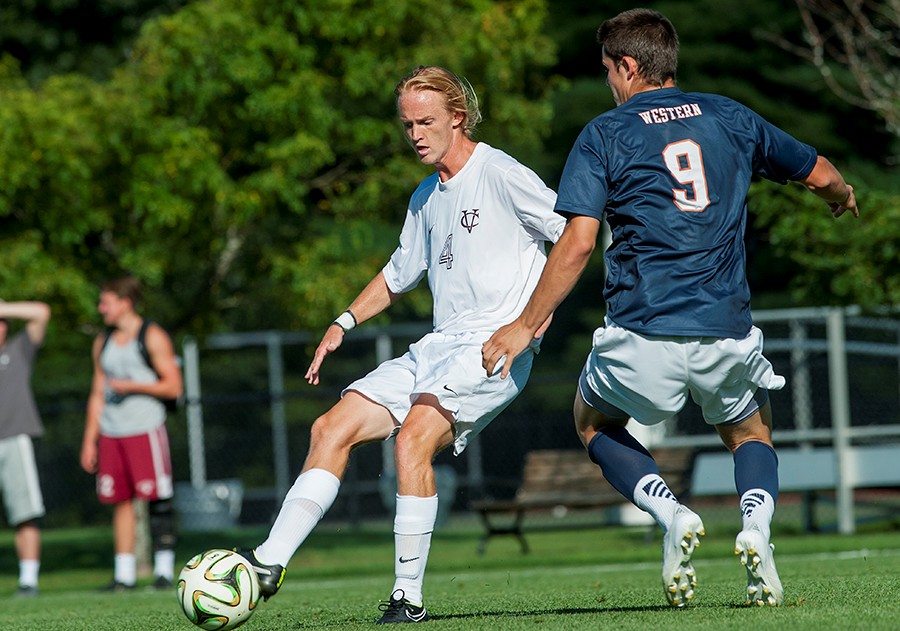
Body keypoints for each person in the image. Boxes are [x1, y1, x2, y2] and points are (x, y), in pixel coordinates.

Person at [482, 8, 859, 609]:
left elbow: (578, 242)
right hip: (725, 330)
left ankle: (670, 513)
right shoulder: (730, 116)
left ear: (628, 66)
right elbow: (820, 174)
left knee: (592, 422)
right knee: (750, 433)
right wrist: (841, 195)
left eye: (608, 70)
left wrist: (523, 326)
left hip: (643, 333)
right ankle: (755, 526)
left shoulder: (604, 134)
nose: (609, 82)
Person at [236, 65, 565, 624]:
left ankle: (406, 597)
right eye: (408, 124)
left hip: (493, 349)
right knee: (330, 427)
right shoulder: (425, 195)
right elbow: (398, 274)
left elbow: (573, 235)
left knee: (413, 438)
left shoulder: (501, 172)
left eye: (425, 122)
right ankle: (269, 563)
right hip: (437, 347)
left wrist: (537, 316)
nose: (415, 134)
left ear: (457, 118)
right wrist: (343, 321)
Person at [80, 277, 183, 591]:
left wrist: (133, 386)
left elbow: (173, 386)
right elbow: (97, 393)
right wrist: (89, 440)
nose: (101, 309)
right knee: (120, 501)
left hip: (145, 428)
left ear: (125, 303)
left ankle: (163, 571)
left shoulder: (151, 336)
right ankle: (124, 575)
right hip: (112, 432)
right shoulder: (103, 342)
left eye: (106, 302)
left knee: (157, 499)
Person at [0, 300, 52, 597]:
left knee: (25, 512)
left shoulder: (18, 350)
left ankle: (28, 581)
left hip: (14, 439)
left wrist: (3, 308)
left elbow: (41, 313)